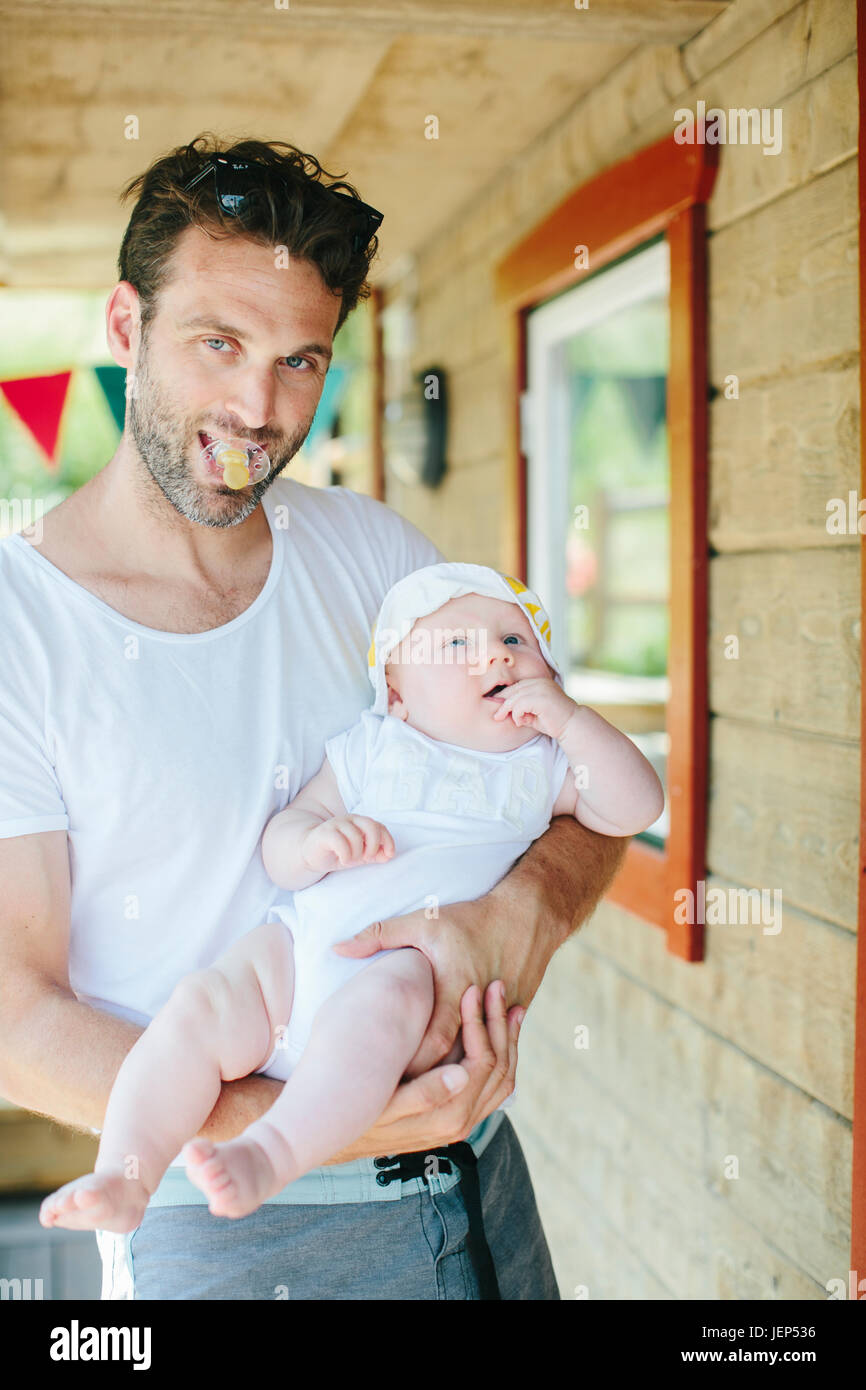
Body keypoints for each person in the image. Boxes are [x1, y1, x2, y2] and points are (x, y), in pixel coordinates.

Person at [0, 135, 627, 1301]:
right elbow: (14, 1015)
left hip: (477, 1168)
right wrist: (306, 1125)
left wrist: (517, 919)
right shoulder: (16, 628)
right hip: (229, 1227)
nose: (257, 406)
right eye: (218, 344)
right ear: (125, 331)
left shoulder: (383, 562)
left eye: (299, 360)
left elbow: (578, 793)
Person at [37, 562, 663, 1237]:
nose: (492, 653)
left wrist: (571, 723)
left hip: (401, 971)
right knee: (198, 1007)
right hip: (299, 951)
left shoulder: (541, 767)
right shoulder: (372, 748)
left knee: (383, 1003)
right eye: (455, 646)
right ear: (397, 693)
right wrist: (317, 844)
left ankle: (271, 1153)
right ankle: (126, 1173)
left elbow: (635, 805)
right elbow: (284, 838)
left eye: (515, 639)